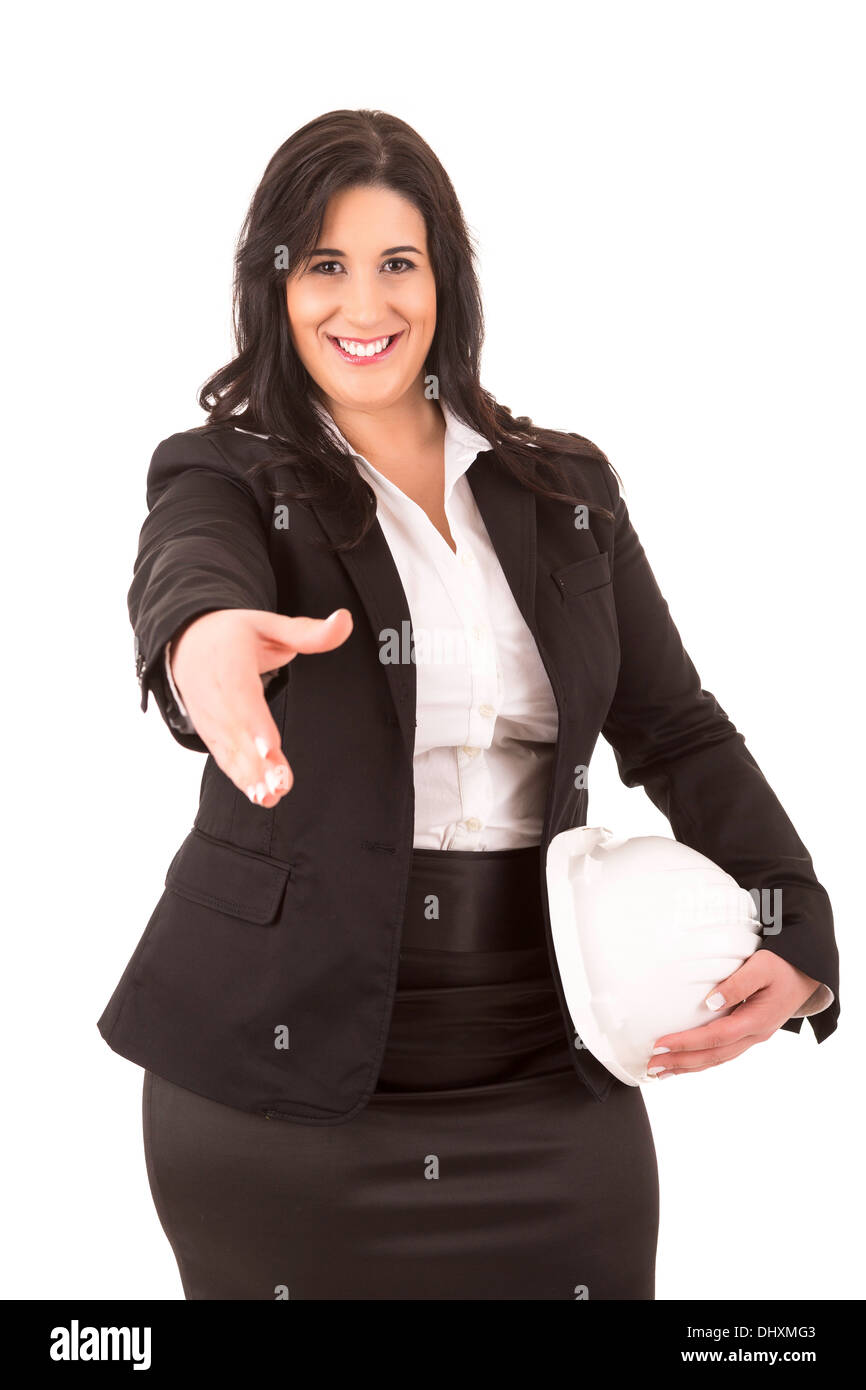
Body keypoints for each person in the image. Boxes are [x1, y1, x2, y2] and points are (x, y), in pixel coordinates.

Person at [98, 109, 838, 1301]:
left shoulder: (563, 488)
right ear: (274, 287)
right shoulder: (225, 473)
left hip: (546, 1057)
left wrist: (793, 923)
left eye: (397, 263)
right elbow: (191, 583)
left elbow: (674, 723)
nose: (363, 304)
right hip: (280, 1086)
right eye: (323, 266)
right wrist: (206, 650)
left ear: (443, 278)